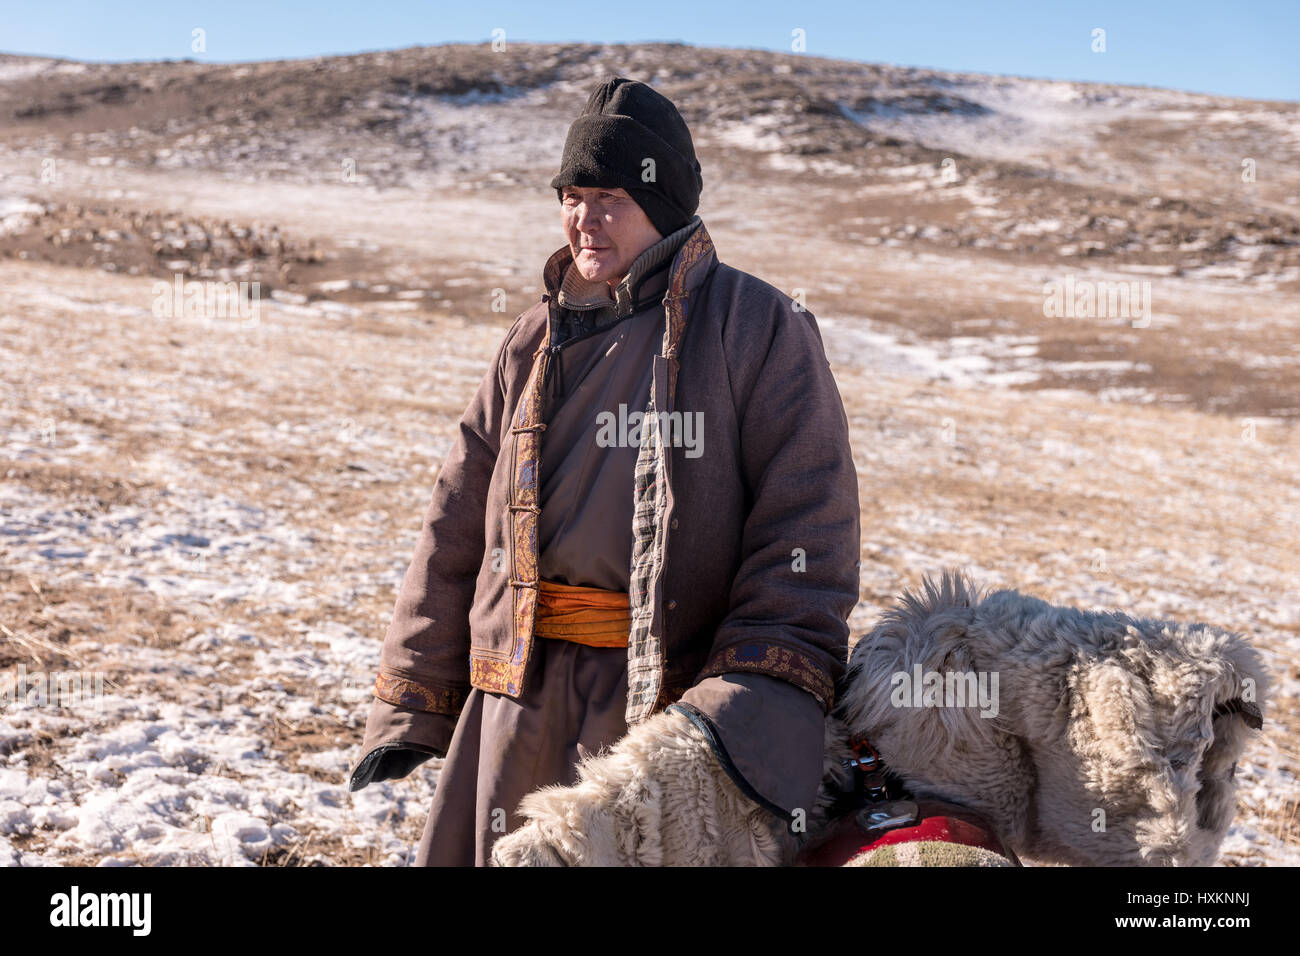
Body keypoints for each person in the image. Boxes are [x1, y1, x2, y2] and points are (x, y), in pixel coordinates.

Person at [348, 76, 860, 866]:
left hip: (659, 706)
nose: (585, 219)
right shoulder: (530, 340)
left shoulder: (758, 327)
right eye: (572, 195)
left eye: (610, 196)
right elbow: (456, 518)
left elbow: (808, 527)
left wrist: (741, 705)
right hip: (516, 698)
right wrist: (415, 687)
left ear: (666, 204)